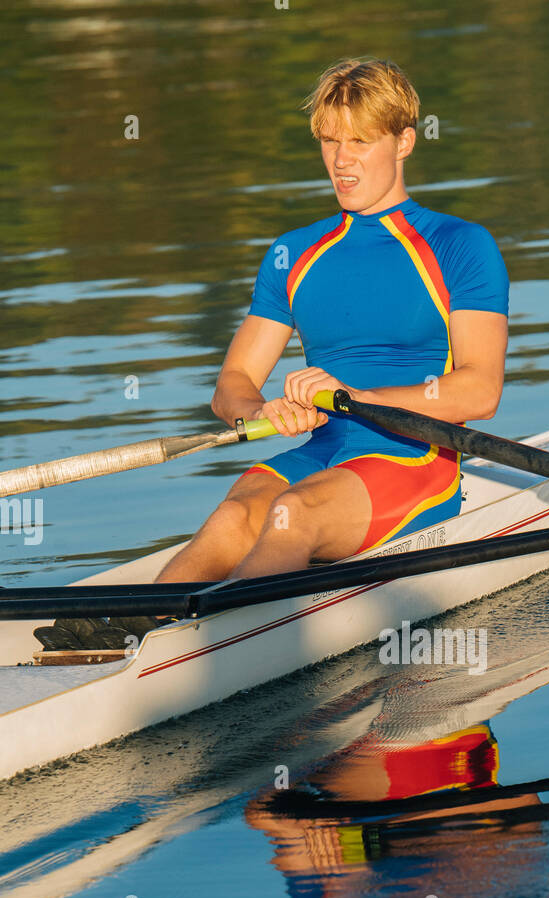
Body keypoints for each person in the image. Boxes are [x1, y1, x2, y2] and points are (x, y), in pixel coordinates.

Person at [158, 56, 509, 584]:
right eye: (329, 141)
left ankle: (203, 647)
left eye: (360, 142)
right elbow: (231, 385)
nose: (341, 160)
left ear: (405, 142)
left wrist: (360, 399)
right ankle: (135, 628)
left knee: (289, 514)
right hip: (323, 451)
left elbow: (480, 392)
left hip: (415, 460)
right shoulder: (292, 253)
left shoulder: (459, 245)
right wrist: (262, 410)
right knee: (233, 516)